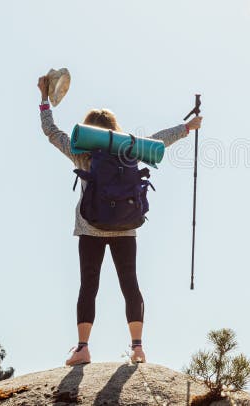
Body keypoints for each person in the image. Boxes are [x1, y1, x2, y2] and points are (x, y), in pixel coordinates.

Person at [37, 75, 202, 366]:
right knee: (130, 284)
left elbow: (52, 132)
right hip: (126, 227)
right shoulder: (129, 150)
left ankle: (83, 348)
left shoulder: (82, 153)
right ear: (114, 131)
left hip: (91, 228)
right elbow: (159, 141)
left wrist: (44, 98)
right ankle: (137, 348)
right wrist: (187, 128)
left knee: (89, 285)